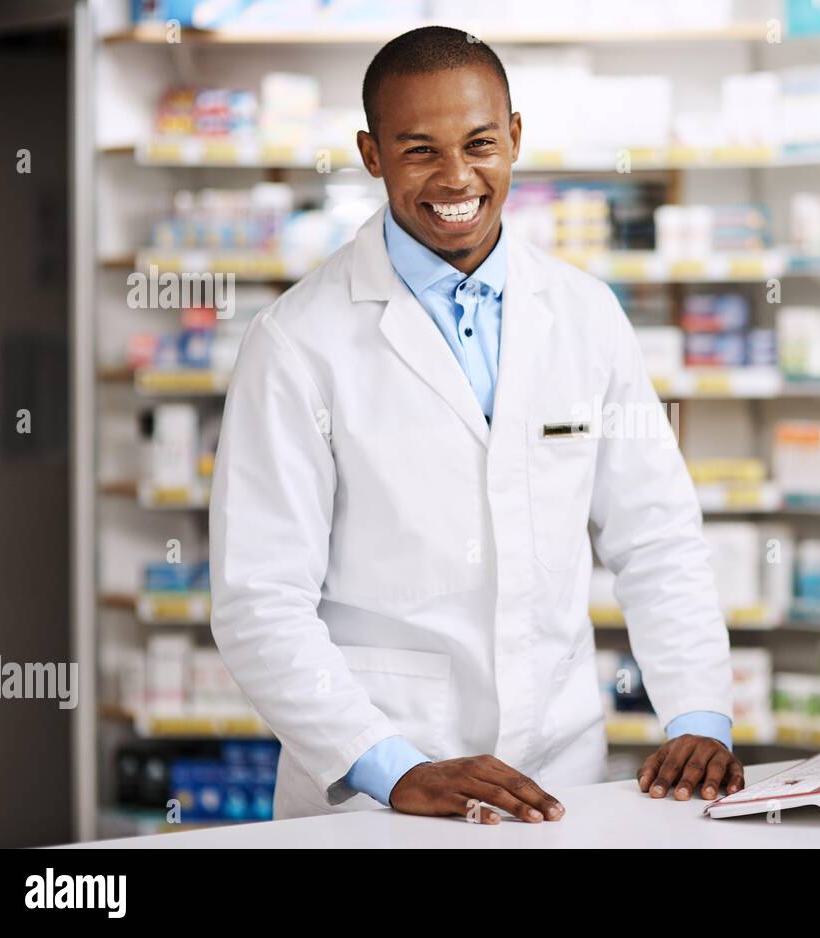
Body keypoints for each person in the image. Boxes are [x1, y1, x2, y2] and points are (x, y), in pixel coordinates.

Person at [210, 25, 742, 824]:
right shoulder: (297, 341)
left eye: (480, 142)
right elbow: (259, 599)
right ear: (370, 153)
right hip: (379, 787)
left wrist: (698, 714)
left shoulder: (585, 313)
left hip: (559, 769)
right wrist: (390, 766)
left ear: (516, 137)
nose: (456, 176)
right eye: (419, 149)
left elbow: (656, 536)